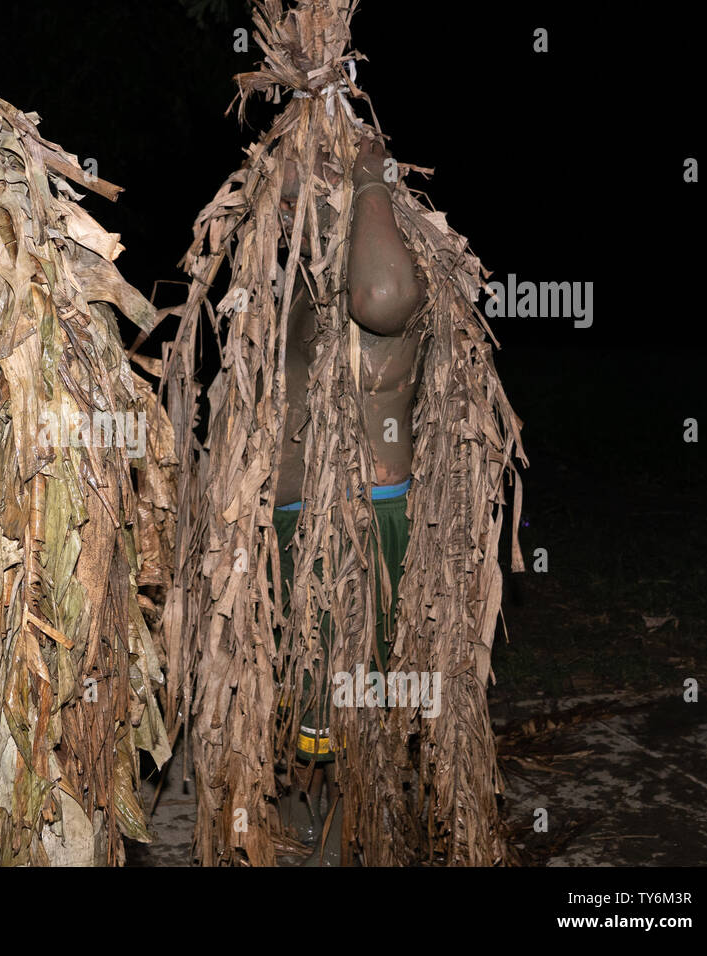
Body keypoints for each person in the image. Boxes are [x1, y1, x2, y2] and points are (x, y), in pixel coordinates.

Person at [273, 133, 427, 848]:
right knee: (307, 731)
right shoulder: (297, 290)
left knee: (355, 724)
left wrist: (369, 178)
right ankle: (316, 832)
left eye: (312, 168)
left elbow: (383, 297)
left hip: (359, 537)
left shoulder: (387, 271)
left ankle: (350, 844)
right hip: (293, 540)